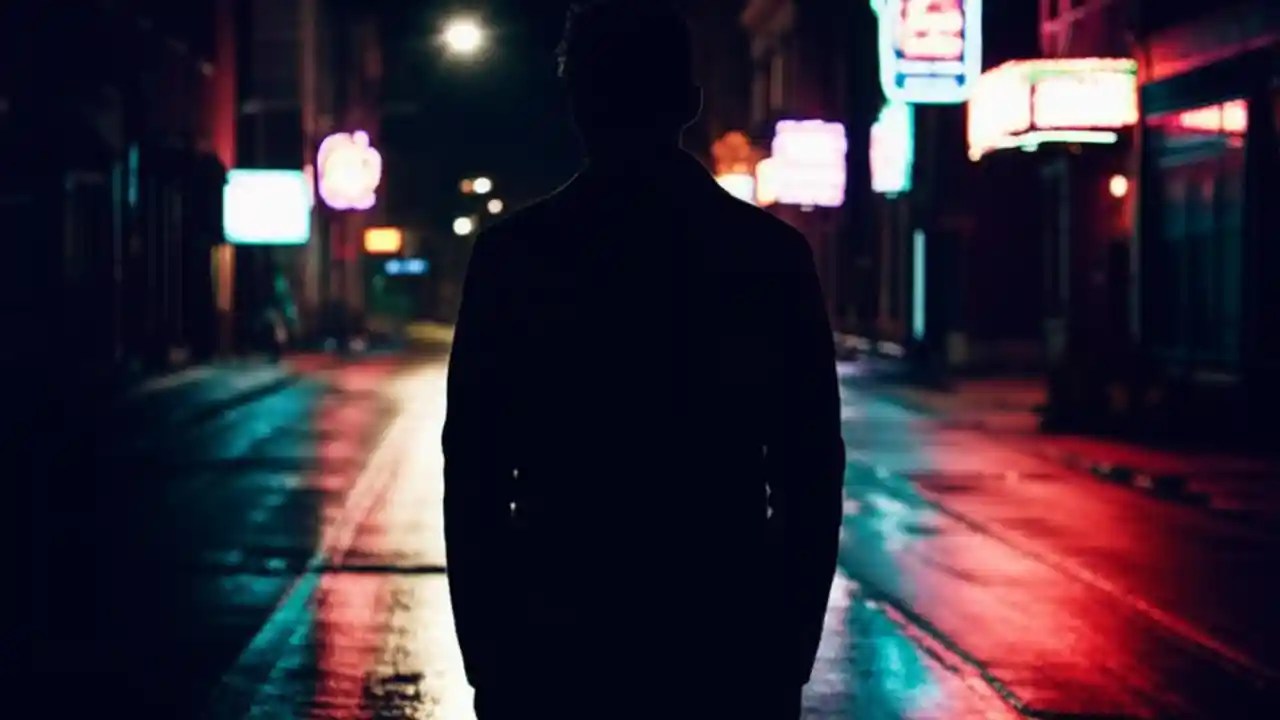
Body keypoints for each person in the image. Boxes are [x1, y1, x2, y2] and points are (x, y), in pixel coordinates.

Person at [442, 2, 846, 718]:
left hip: (556, 639)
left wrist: (490, 655)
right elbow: (808, 472)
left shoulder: (517, 257)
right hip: (721, 641)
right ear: (689, 103)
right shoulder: (769, 257)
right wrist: (785, 653)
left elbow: (473, 474)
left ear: (576, 101)